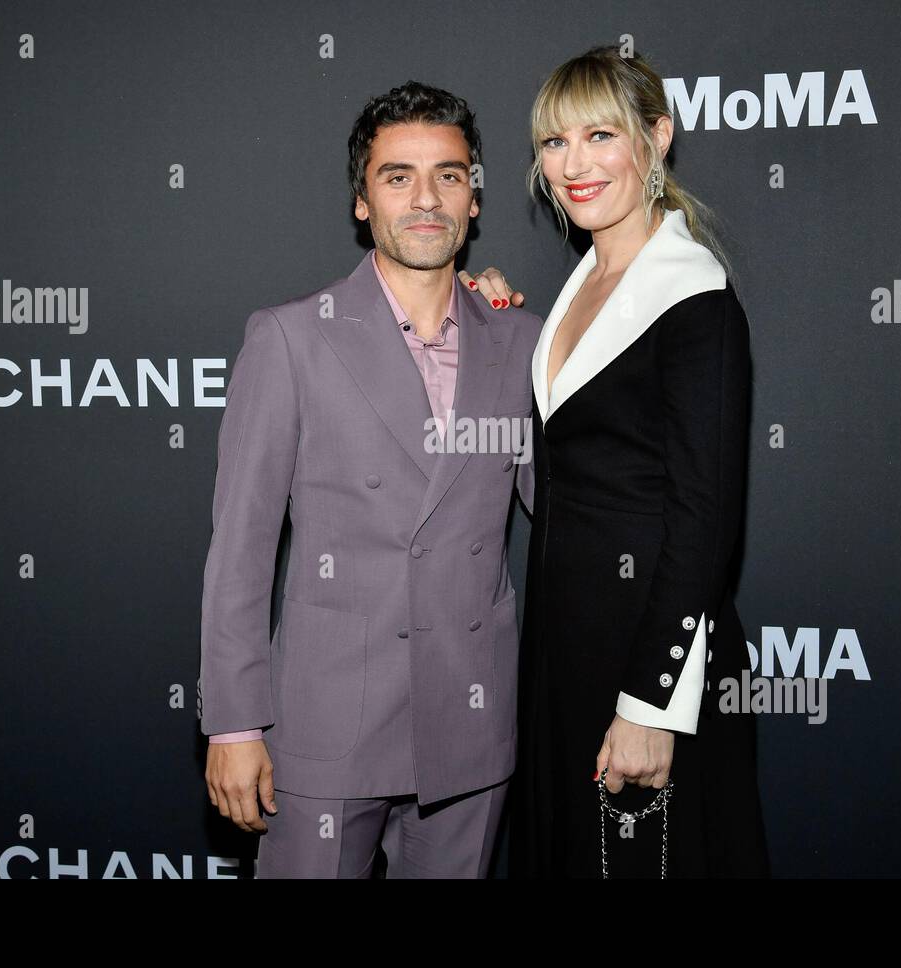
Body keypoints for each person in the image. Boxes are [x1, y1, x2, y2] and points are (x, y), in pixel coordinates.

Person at [198, 80, 539, 878]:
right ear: (362, 200)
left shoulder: (522, 341)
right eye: (398, 177)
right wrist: (235, 724)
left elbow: (565, 514)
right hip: (326, 728)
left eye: (449, 175)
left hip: (470, 723)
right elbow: (241, 548)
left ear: (474, 197)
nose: (426, 199)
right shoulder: (291, 338)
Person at [508, 46, 771, 877]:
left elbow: (706, 524)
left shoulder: (694, 297)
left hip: (647, 666)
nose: (574, 164)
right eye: (554, 143)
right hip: (562, 654)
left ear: (657, 138)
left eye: (599, 135)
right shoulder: (585, 280)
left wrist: (651, 704)